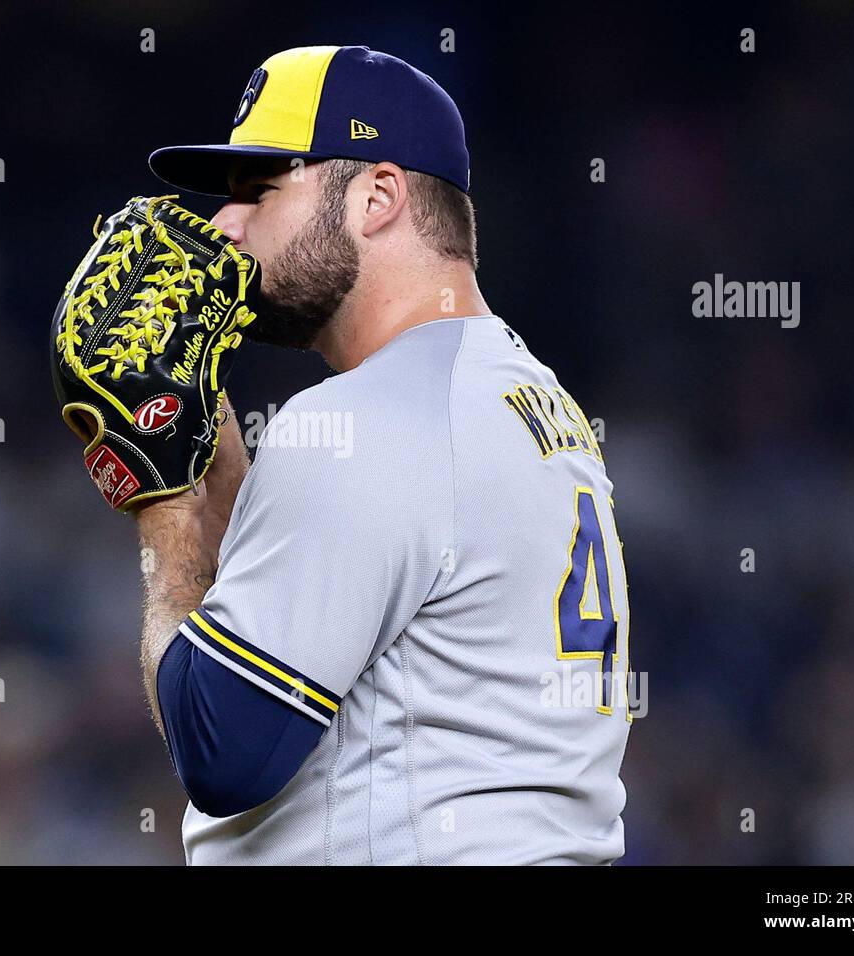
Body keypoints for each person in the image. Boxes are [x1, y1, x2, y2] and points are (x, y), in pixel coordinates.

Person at [136, 45, 633, 864]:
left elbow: (221, 749)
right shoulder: (524, 397)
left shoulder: (363, 421)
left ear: (377, 195)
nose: (225, 224)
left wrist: (165, 506)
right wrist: (213, 452)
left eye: (263, 187)